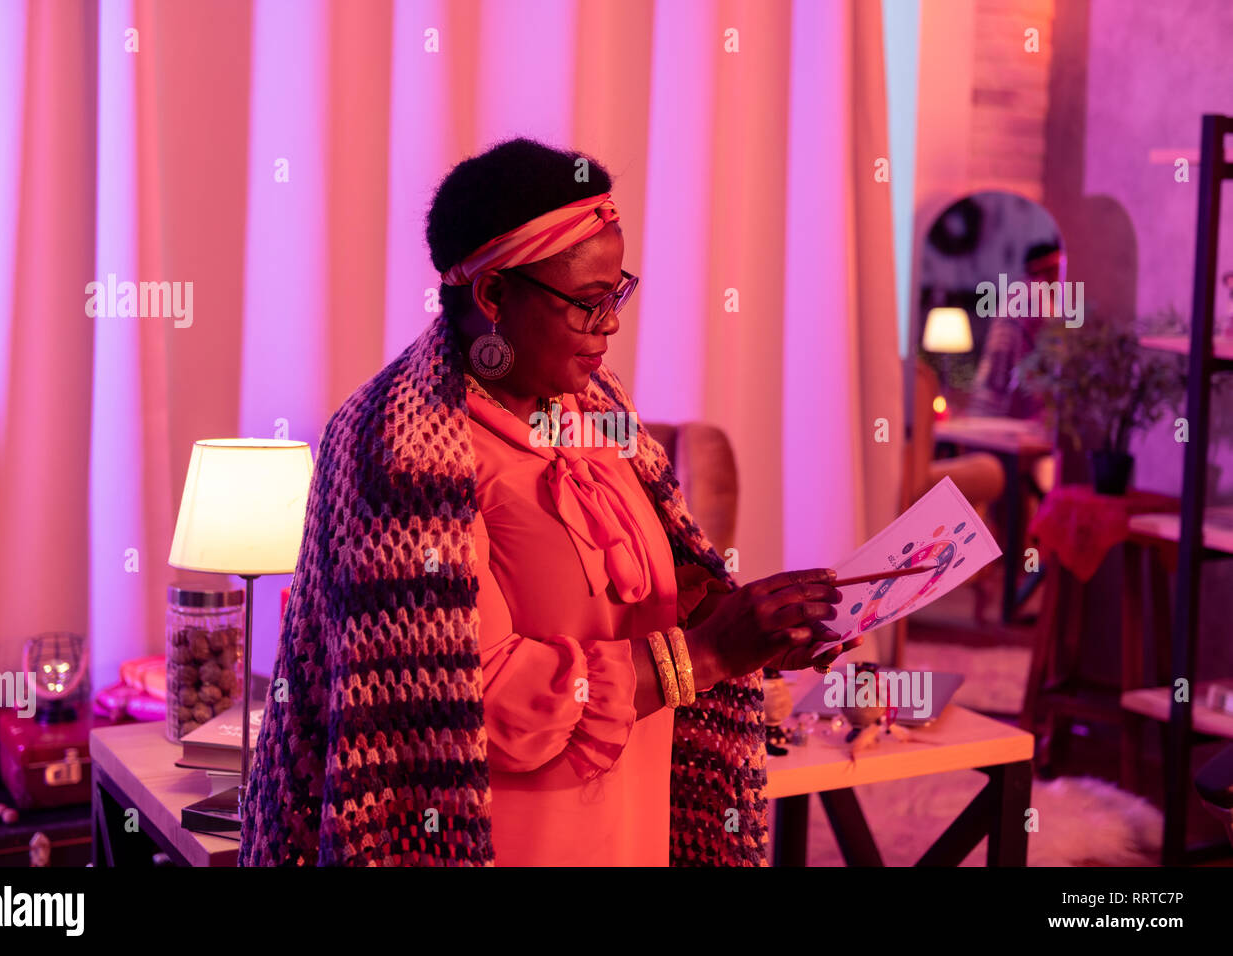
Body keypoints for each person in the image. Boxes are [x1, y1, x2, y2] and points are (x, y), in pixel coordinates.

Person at [239, 137, 858, 867]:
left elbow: (649, 601)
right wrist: (710, 653)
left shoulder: (593, 411)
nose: (613, 325)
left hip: (629, 829)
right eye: (589, 303)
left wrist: (759, 626)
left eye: (617, 293)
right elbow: (480, 700)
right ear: (494, 295)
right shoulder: (395, 450)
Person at [969, 241, 1066, 419]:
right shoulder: (1035, 297)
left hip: (990, 399)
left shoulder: (1017, 293)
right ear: (1051, 267)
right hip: (1009, 407)